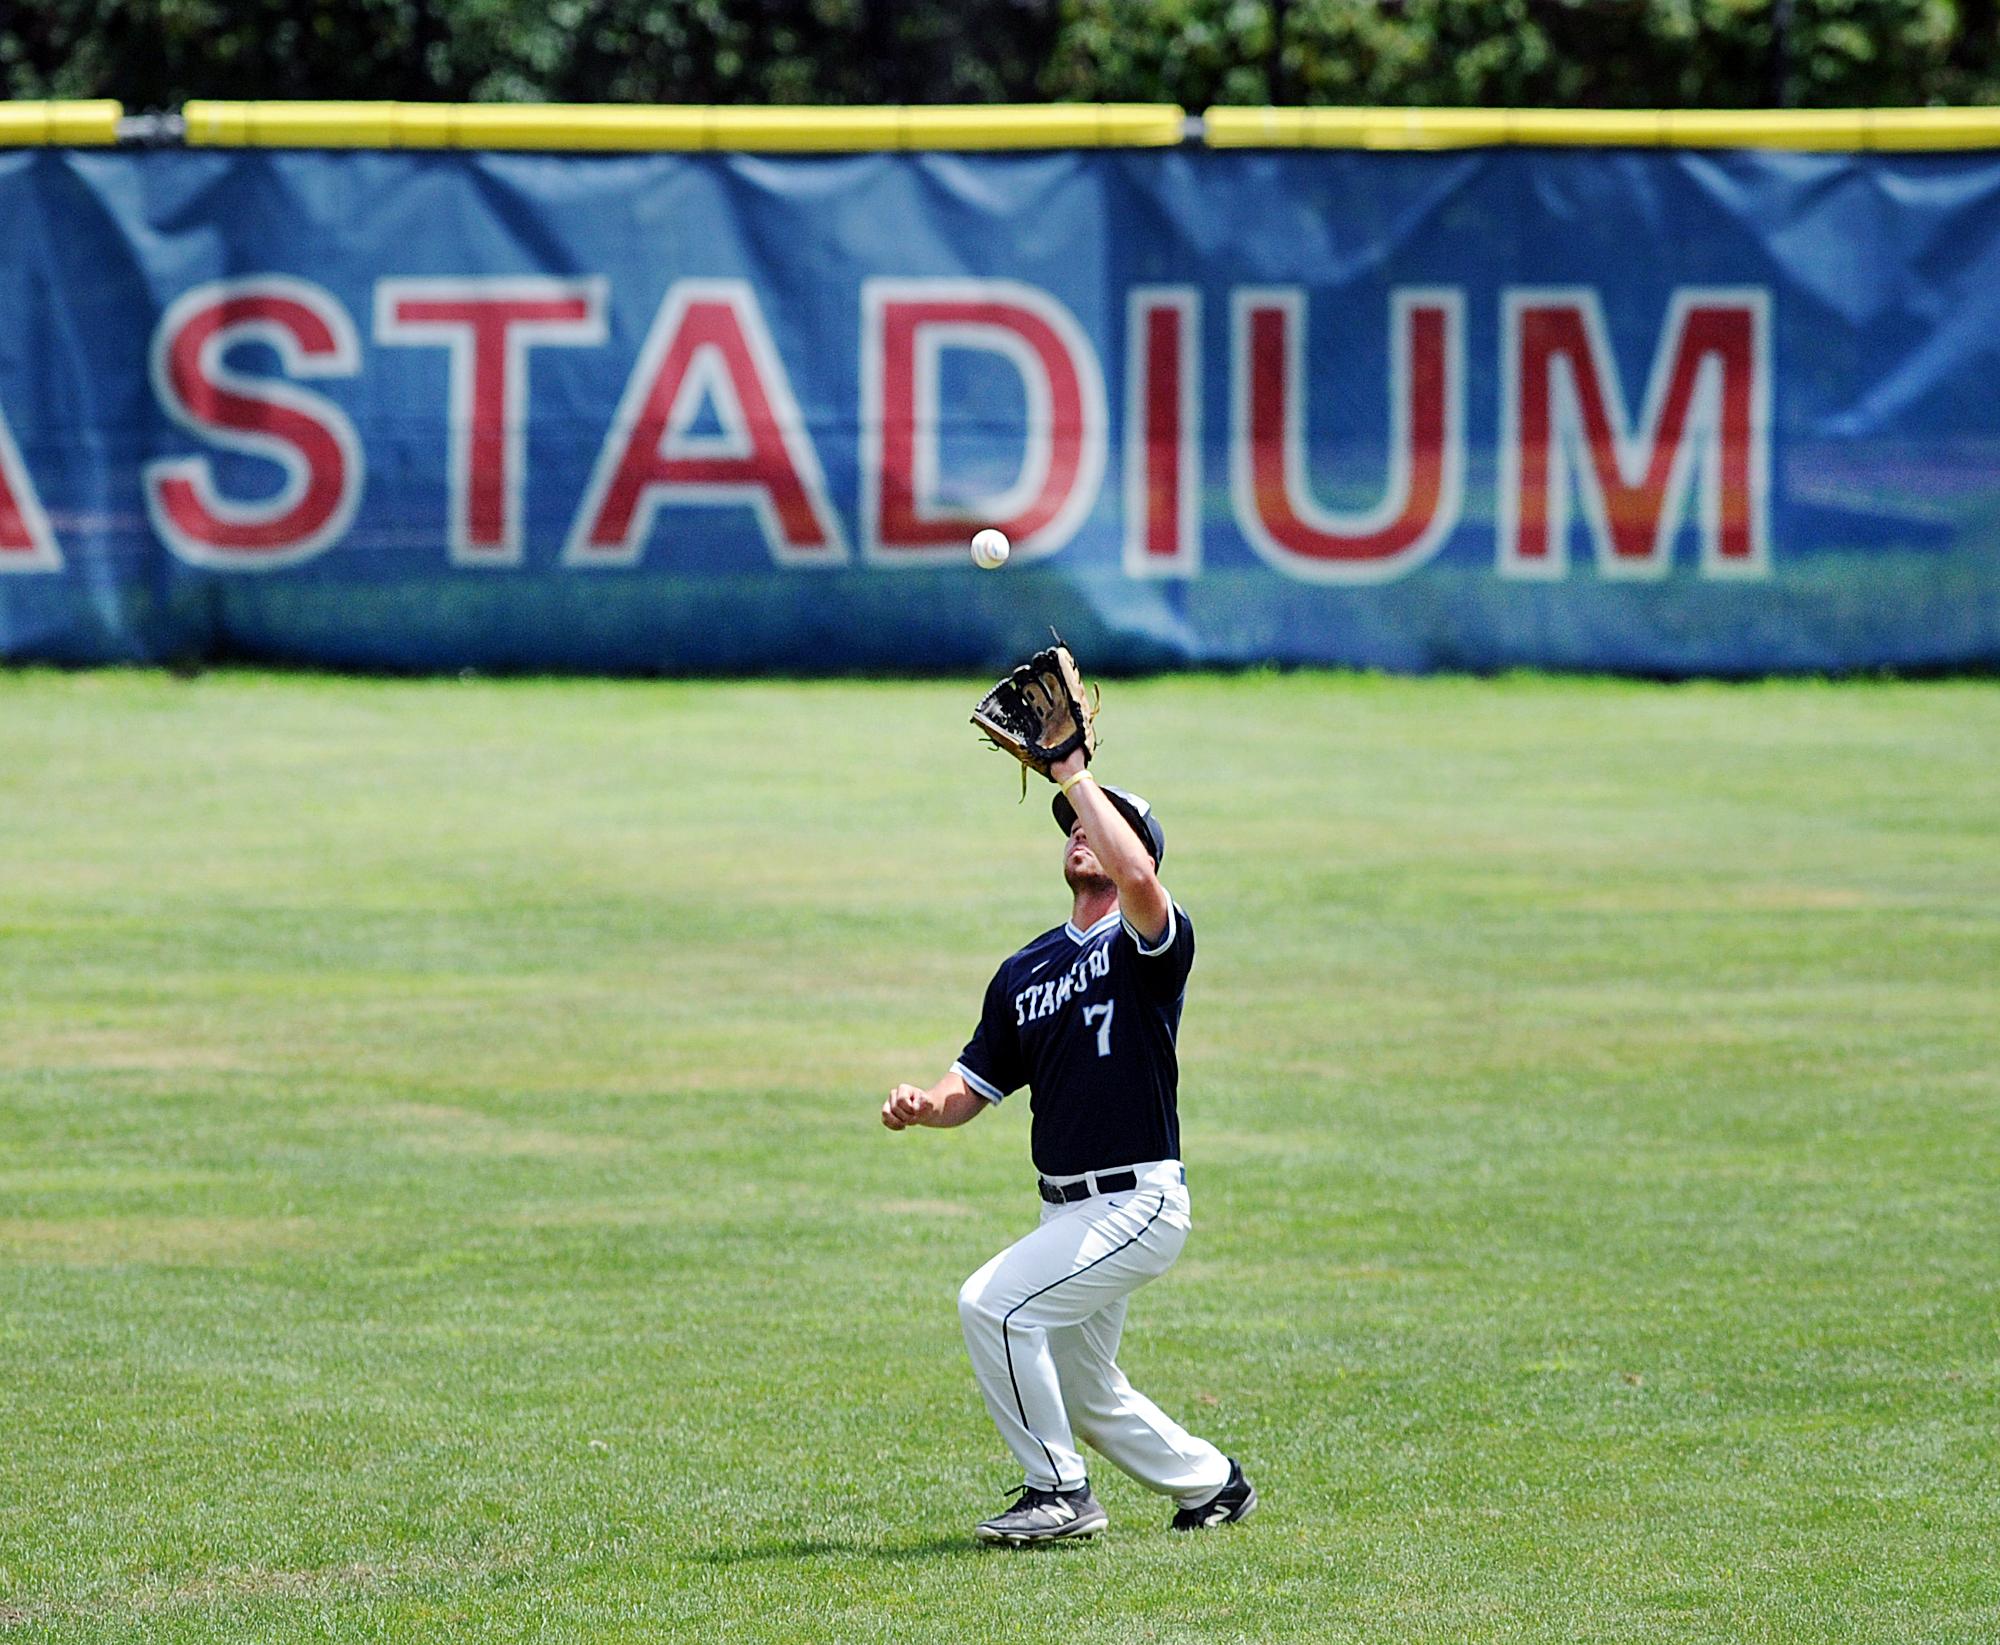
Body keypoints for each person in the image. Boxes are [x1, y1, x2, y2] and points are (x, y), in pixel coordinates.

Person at [880, 749, 1257, 1545]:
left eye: (1099, 823)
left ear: (1135, 851)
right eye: (1072, 825)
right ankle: (1214, 1483)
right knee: (1086, 1390)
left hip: (1140, 1201)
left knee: (991, 1302)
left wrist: (1073, 771)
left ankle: (1059, 1491)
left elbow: (1143, 886)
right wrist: (925, 1105)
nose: (1079, 829)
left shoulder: (1151, 944)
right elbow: (970, 1087)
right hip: (1066, 1213)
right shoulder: (1024, 970)